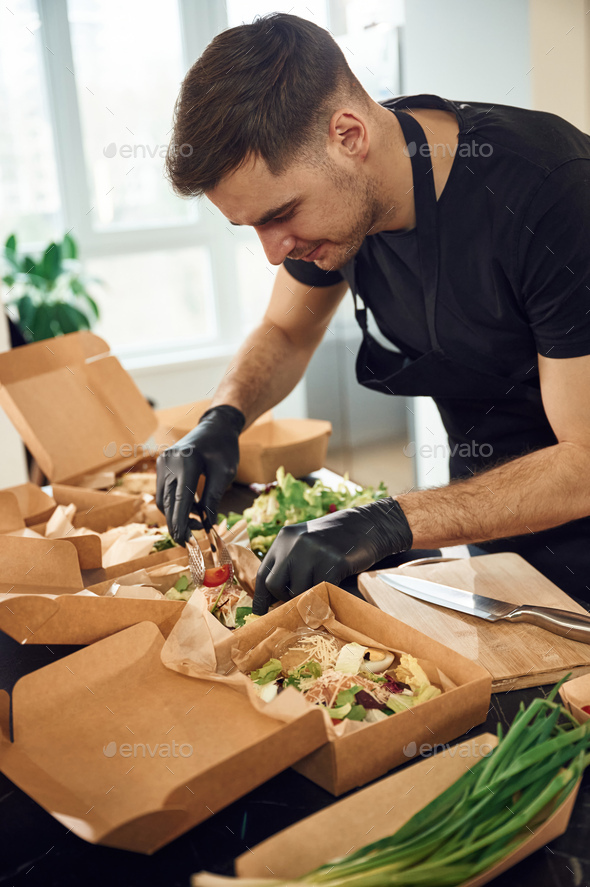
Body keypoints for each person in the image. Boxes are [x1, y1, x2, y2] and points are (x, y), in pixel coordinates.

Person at [156, 13, 590, 615]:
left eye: (281, 214)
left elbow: (584, 461)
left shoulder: (553, 192)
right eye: (252, 226)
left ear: (349, 136)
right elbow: (286, 329)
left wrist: (391, 521)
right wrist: (224, 416)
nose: (272, 251)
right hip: (496, 529)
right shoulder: (341, 200)